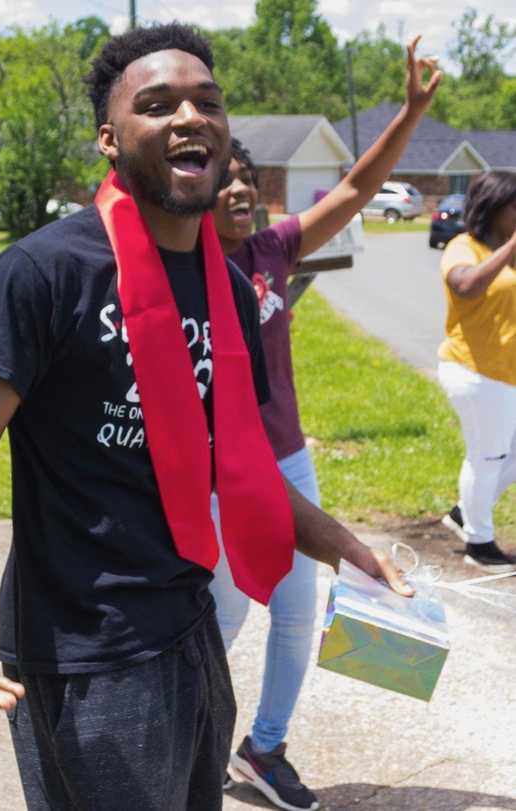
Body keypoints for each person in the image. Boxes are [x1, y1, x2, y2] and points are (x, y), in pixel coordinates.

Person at [0, 23, 411, 811]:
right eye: (158, 104)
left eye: (207, 102)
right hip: (89, 647)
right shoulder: (44, 273)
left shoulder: (226, 290)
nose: (190, 117)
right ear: (109, 139)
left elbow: (238, 465)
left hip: (189, 626)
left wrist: (346, 547)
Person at [210, 38, 441, 811]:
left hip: (288, 459)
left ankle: (263, 747)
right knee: (224, 611)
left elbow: (355, 188)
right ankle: (193, 737)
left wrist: (410, 111)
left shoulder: (275, 248)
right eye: (225, 184)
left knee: (297, 610)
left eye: (247, 181)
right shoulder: (191, 265)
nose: (240, 193)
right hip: (218, 469)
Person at [438, 171, 516, 573]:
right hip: (474, 371)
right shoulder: (462, 247)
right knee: (487, 457)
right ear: (494, 208)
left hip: (505, 375)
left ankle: (462, 513)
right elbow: (465, 286)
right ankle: (479, 543)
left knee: (508, 456)